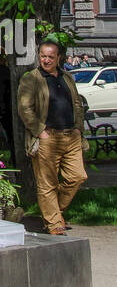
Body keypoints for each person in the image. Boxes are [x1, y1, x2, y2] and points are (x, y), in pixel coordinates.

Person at [18, 40, 88, 235]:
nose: (46, 60)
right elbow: (25, 109)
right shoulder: (31, 78)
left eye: (50, 57)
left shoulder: (67, 77)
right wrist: (40, 131)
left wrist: (78, 129)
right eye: (43, 56)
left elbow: (76, 103)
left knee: (78, 176)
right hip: (48, 137)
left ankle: (54, 212)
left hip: (70, 135)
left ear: (58, 58)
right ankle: (54, 224)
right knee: (47, 183)